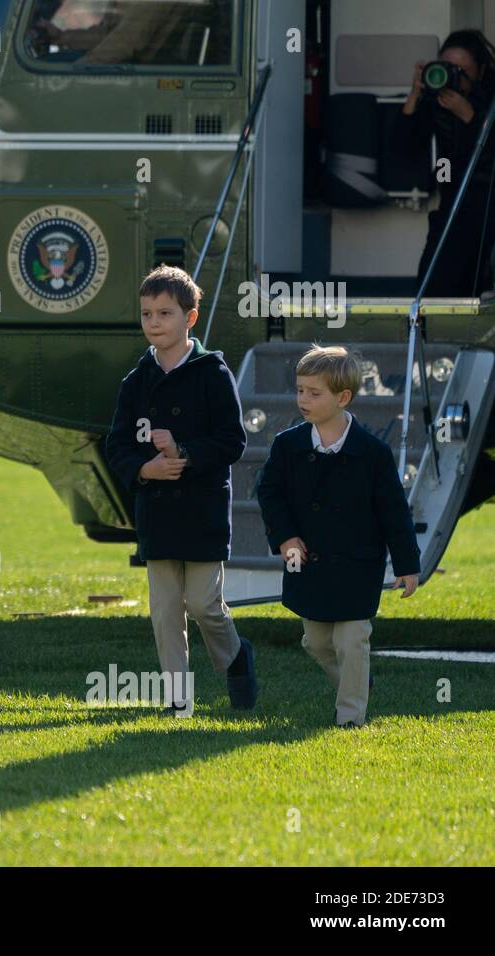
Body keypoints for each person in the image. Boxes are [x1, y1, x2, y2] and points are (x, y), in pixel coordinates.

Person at [105, 265, 257, 713]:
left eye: (165, 313)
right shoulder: (135, 383)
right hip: (156, 510)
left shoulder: (213, 373)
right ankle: (177, 699)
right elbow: (116, 444)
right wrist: (145, 470)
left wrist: (185, 452)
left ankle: (235, 656)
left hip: (203, 509)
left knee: (205, 603)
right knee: (165, 610)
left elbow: (233, 441)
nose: (154, 322)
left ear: (190, 318)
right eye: (147, 313)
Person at [256, 346, 421, 729]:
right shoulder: (288, 445)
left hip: (356, 566)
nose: (303, 400)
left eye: (314, 393)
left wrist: (407, 565)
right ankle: (358, 682)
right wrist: (286, 538)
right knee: (315, 642)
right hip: (309, 565)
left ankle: (350, 718)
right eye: (300, 390)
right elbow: (269, 493)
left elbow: (395, 513)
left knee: (351, 640)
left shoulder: (373, 453)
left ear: (342, 397)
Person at [397, 29, 495, 296]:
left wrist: (470, 117)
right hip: (452, 203)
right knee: (436, 284)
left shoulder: (489, 100)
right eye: (447, 67)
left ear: (481, 72)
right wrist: (415, 94)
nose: (454, 77)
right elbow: (406, 145)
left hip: (488, 204)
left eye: (462, 70)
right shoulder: (436, 102)